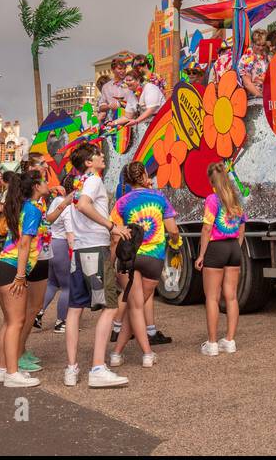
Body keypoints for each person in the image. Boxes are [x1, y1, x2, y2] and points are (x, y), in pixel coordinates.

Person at [63, 144, 131, 388]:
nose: (103, 156)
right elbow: (83, 204)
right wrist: (112, 226)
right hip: (94, 249)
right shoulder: (92, 180)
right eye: (98, 154)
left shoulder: (79, 182)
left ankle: (72, 368)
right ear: (89, 162)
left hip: (79, 251)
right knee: (110, 306)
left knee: (75, 308)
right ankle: (98, 367)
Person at [108, 162, 181, 368]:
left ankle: (140, 354)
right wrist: (174, 243)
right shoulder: (160, 198)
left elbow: (115, 237)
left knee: (135, 307)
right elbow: (173, 230)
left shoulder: (122, 203)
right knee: (136, 307)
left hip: (129, 257)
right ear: (145, 175)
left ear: (127, 180)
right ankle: (122, 353)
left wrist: (111, 263)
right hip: (154, 259)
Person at [0, 170, 47, 388]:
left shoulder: (23, 206)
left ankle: (3, 368)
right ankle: (13, 373)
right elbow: (24, 244)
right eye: (42, 180)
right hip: (13, 267)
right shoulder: (32, 208)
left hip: (3, 265)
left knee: (9, 322)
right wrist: (21, 275)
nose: (46, 183)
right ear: (35, 186)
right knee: (17, 322)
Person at [195, 162, 245, 356]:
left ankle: (213, 343)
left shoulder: (212, 199)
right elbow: (242, 227)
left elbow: (207, 228)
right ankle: (230, 341)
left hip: (216, 248)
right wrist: (237, 246)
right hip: (233, 247)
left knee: (212, 297)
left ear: (211, 181)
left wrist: (201, 255)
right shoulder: (235, 199)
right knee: (231, 296)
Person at [37, 172, 79, 334]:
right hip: (61, 245)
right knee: (67, 286)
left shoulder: (55, 200)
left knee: (52, 283)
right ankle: (61, 321)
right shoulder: (66, 206)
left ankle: (38, 313)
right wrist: (74, 252)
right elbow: (70, 233)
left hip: (49, 243)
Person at [97, 53, 136, 121]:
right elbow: (101, 107)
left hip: (129, 120)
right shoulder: (106, 87)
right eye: (120, 69)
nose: (123, 71)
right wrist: (109, 106)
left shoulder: (130, 83)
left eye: (124, 69)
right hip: (112, 123)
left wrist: (122, 105)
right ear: (112, 70)